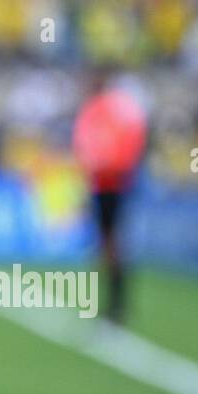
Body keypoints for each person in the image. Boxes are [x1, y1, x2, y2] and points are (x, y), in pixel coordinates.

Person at [72, 73, 148, 324]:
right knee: (107, 245)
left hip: (109, 186)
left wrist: (102, 167)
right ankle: (111, 304)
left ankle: (115, 305)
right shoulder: (114, 110)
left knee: (110, 245)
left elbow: (95, 150)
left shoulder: (107, 112)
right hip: (107, 185)